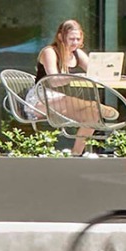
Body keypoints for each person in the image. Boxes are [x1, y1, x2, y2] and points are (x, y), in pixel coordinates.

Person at [36, 19, 107, 156]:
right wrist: (78, 76)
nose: (75, 43)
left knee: (93, 114)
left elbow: (94, 71)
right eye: (71, 39)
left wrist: (110, 73)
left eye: (78, 39)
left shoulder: (77, 53)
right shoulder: (49, 52)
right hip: (40, 100)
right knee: (70, 101)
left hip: (63, 101)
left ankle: (76, 154)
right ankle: (97, 106)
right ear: (60, 37)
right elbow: (54, 80)